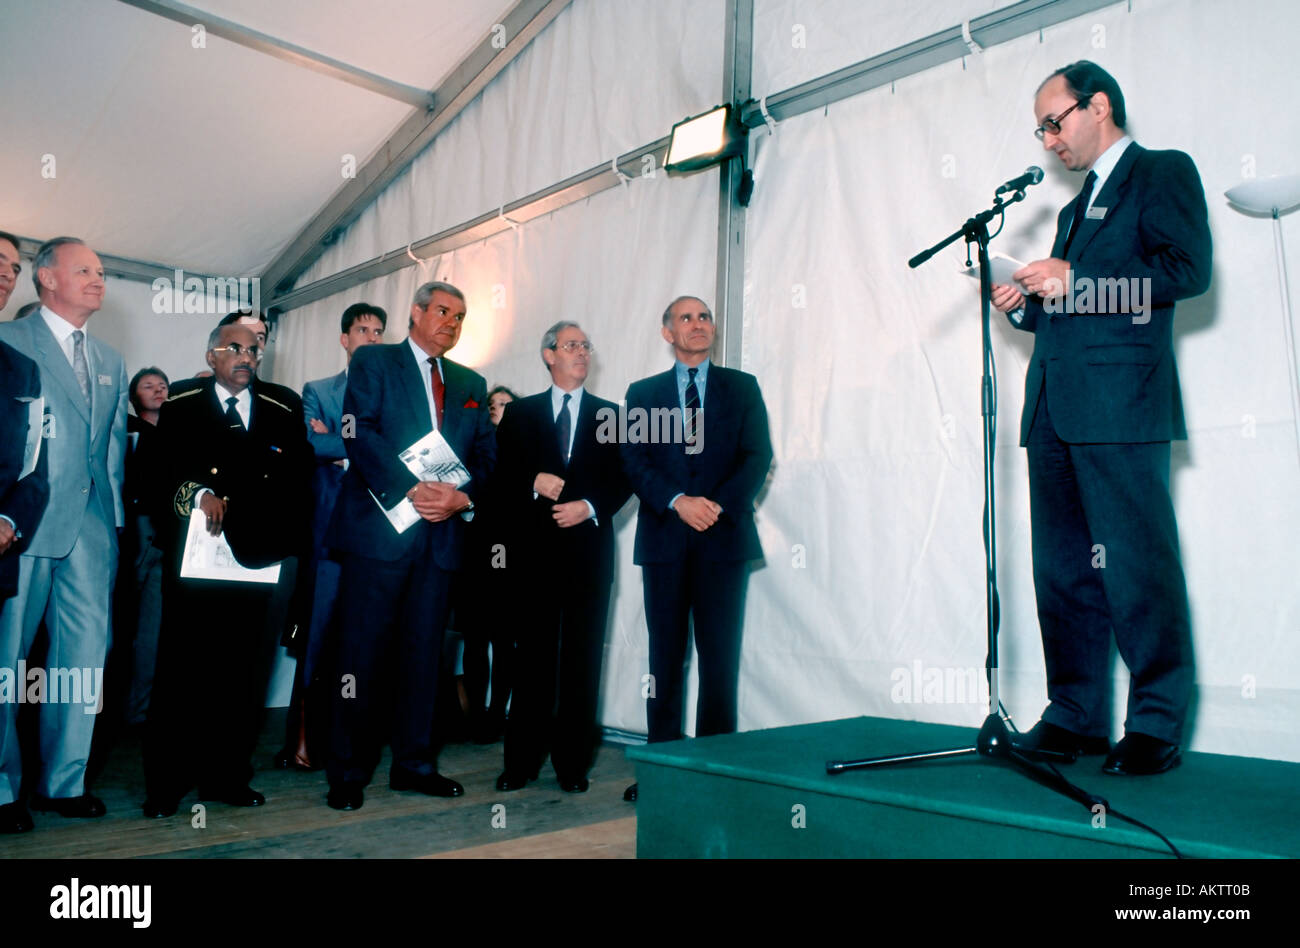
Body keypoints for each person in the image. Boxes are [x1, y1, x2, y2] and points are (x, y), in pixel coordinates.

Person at [991, 61, 1212, 776]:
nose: (1048, 139)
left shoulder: (1162, 171)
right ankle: (1076, 716)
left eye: (1054, 122)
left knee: (1136, 567)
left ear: (1100, 106)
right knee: (1063, 572)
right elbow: (1074, 312)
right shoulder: (1069, 209)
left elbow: (1185, 272)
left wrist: (1075, 279)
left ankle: (1154, 724)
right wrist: (1029, 305)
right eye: (1041, 129)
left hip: (1122, 408)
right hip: (1054, 409)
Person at [323, 281, 495, 811]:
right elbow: (359, 431)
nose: (452, 322)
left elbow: (488, 459)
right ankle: (347, 772)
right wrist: (411, 488)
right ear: (415, 312)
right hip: (379, 536)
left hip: (440, 540)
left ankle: (414, 765)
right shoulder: (374, 363)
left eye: (461, 316)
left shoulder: (471, 382)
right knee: (361, 656)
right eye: (443, 311)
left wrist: (461, 498)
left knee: (425, 660)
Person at [142, 323, 313, 817]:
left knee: (243, 674)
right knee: (181, 672)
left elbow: (298, 479)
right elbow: (156, 474)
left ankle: (227, 778)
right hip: (195, 556)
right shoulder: (179, 401)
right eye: (234, 348)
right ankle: (166, 784)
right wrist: (197, 494)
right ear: (211, 354)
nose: (246, 356)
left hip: (256, 559)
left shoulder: (282, 405)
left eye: (254, 349)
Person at [619, 296, 773, 802]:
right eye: (686, 318)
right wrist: (677, 501)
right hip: (664, 542)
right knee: (664, 659)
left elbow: (758, 455)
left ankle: (715, 771)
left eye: (705, 316)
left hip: (723, 542)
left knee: (719, 658)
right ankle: (661, 771)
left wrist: (716, 506)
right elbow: (634, 461)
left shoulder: (741, 387)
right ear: (668, 333)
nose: (699, 324)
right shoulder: (642, 394)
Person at [0, 237, 128, 828]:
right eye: (84, 270)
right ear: (46, 279)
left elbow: (110, 455)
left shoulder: (109, 360)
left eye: (101, 272)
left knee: (83, 664)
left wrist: (115, 527)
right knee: (8, 661)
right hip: (22, 528)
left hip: (92, 531)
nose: (98, 279)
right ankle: (2, 790)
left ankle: (63, 782)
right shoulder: (7, 340)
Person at [493, 324, 630, 792]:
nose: (581, 353)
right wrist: (532, 480)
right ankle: (520, 763)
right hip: (533, 559)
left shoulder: (613, 415)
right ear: (548, 355)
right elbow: (500, 474)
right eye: (571, 345)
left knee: (582, 661)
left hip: (589, 559)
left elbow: (626, 479)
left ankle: (572, 766)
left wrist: (589, 506)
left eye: (586, 346)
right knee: (531, 661)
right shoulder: (520, 413)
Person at [275, 302, 386, 771]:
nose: (373, 338)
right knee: (317, 638)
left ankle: (355, 743)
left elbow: (394, 449)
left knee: (366, 642)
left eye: (380, 331)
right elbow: (309, 444)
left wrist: (342, 447)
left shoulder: (392, 393)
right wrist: (361, 446)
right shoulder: (318, 390)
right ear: (345, 339)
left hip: (379, 538)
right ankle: (300, 739)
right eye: (363, 330)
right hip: (327, 539)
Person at [457, 383, 518, 745]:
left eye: (507, 405)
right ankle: (476, 715)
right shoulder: (475, 450)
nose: (500, 410)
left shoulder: (525, 450)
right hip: (476, 555)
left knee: (505, 641)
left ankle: (498, 713)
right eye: (494, 406)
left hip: (511, 558)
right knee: (475, 640)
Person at [118, 368, 169, 726]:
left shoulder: (181, 432)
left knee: (152, 631)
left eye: (163, 385)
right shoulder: (121, 428)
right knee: (118, 623)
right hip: (125, 532)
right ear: (135, 395)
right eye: (148, 386)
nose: (158, 391)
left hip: (164, 536)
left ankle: (138, 712)